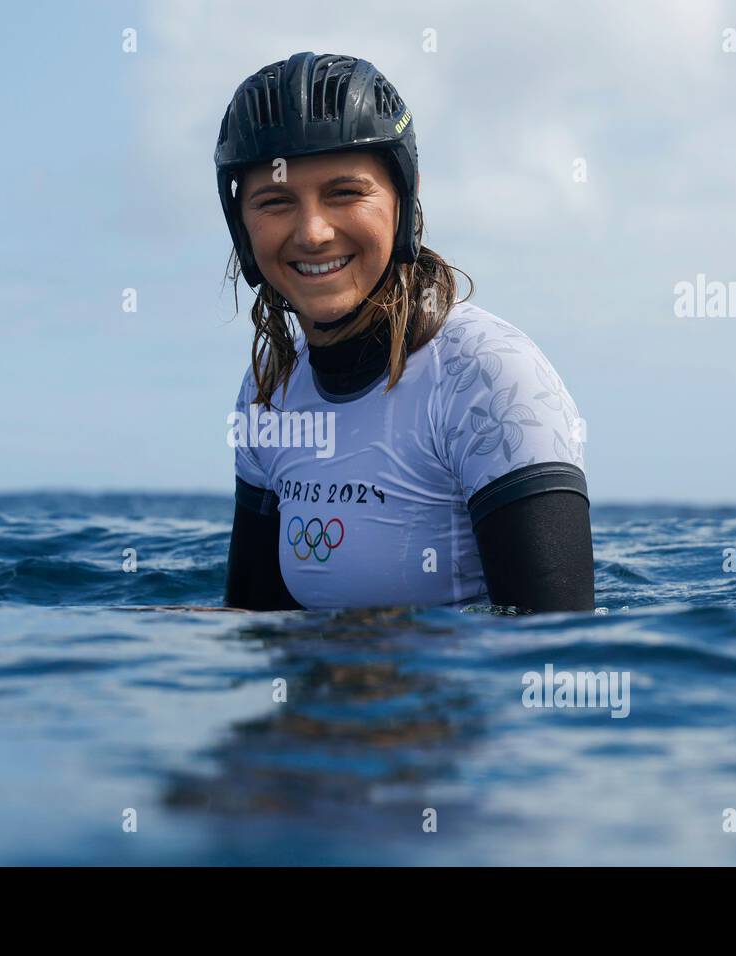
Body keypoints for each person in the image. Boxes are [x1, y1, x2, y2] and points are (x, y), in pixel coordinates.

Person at [216, 52, 594, 612]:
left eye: (345, 192)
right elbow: (253, 625)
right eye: (276, 201)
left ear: (403, 201)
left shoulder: (488, 376)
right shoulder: (270, 389)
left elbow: (554, 651)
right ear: (242, 228)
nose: (313, 232)